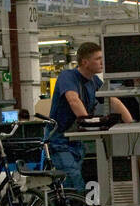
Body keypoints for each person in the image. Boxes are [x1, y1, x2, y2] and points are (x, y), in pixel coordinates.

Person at [47, 42, 132, 190]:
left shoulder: (94, 81)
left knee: (70, 184)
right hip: (59, 141)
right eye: (98, 58)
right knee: (74, 182)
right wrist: (89, 124)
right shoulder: (68, 76)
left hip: (77, 142)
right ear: (85, 62)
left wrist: (131, 124)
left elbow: (112, 100)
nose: (102, 62)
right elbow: (73, 100)